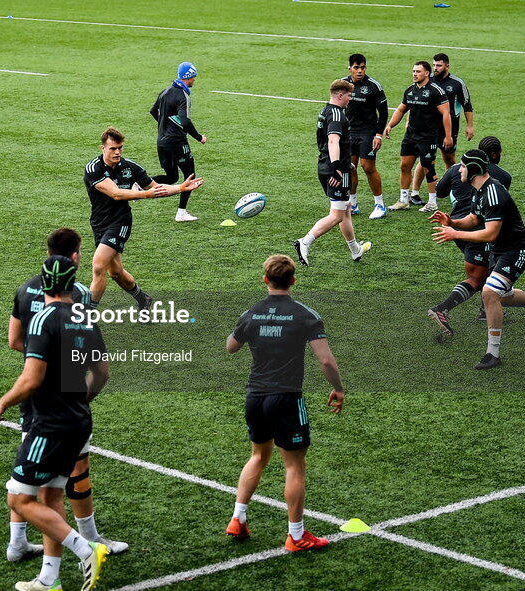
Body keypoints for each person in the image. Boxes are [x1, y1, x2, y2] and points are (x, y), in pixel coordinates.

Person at [6, 228, 127, 563]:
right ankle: (88, 539)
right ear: (74, 256)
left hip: (33, 390)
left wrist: (37, 358)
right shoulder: (78, 294)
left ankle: (17, 543)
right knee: (74, 467)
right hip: (66, 394)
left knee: (28, 464)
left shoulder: (24, 289)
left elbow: (15, 341)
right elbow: (92, 355)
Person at [0, 255, 111, 591]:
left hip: (47, 424)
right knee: (51, 495)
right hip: (78, 421)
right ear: (73, 284)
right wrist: (80, 402)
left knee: (18, 498)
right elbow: (102, 373)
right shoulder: (85, 316)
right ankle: (49, 579)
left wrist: (2, 402)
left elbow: (31, 380)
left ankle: (85, 549)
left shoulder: (43, 318)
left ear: (43, 283)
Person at [224, 254, 344, 552]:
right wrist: (338, 389)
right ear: (293, 280)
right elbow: (326, 360)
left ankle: (238, 518)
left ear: (265, 279)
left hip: (254, 396)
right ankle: (296, 535)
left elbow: (230, 347)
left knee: (258, 456)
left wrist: (248, 324)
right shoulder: (305, 315)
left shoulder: (252, 312)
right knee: (294, 466)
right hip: (286, 398)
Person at [430, 150, 525, 370]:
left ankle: (493, 354)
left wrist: (455, 234)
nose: (459, 170)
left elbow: (490, 233)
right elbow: (473, 219)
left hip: (517, 250)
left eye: (462, 166)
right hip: (499, 250)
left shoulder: (493, 192)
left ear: (473, 170)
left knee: (489, 292)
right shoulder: (479, 190)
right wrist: (452, 222)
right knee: (502, 296)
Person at [84, 127, 203, 307]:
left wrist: (180, 188)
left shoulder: (130, 167)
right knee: (115, 272)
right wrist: (146, 195)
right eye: (112, 149)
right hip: (99, 222)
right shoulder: (94, 168)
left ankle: (87, 315)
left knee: (98, 266)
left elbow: (156, 187)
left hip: (120, 221)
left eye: (120, 148)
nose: (117, 152)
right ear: (103, 148)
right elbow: (116, 193)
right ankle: (143, 299)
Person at [427, 137, 511, 335]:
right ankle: (442, 309)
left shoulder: (455, 168)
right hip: (478, 229)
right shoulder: (503, 176)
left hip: (456, 227)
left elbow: (439, 193)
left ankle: (485, 308)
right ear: (493, 155)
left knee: (487, 269)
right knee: (476, 277)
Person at [293, 80, 372, 267]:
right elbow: (333, 141)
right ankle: (304, 242)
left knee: (345, 211)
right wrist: (338, 168)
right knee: (337, 215)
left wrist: (347, 164)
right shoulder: (337, 115)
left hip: (327, 165)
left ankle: (355, 250)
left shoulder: (326, 111)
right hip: (335, 170)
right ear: (340, 95)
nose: (350, 100)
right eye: (349, 96)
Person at [384, 61, 453, 213]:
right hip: (411, 136)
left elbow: (446, 114)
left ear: (427, 73)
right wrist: (390, 125)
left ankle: (432, 202)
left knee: (428, 167)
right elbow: (401, 110)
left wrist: (448, 136)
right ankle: (403, 200)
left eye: (418, 71)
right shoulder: (410, 90)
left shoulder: (436, 91)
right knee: (404, 166)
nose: (414, 74)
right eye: (413, 71)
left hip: (428, 137)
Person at [150, 61, 207, 222]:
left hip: (162, 141)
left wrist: (165, 127)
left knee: (172, 176)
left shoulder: (165, 92)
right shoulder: (183, 95)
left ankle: (139, 184)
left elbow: (154, 111)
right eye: (193, 77)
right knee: (190, 175)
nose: (194, 80)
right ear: (188, 77)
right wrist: (199, 137)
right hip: (177, 142)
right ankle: (181, 212)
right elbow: (185, 121)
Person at [411, 53, 474, 196]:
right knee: (425, 159)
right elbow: (415, 102)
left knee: (449, 159)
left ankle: (451, 187)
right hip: (429, 129)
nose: (435, 68)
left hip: (449, 129)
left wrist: (470, 126)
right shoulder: (428, 80)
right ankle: (414, 192)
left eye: (438, 65)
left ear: (447, 66)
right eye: (434, 65)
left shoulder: (457, 83)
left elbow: (467, 105)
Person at [342, 54, 389, 219]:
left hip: (367, 132)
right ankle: (352, 204)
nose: (360, 71)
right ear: (349, 68)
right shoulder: (343, 84)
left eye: (362, 67)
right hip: (348, 133)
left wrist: (378, 135)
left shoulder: (373, 86)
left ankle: (380, 204)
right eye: (356, 67)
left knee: (368, 167)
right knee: (349, 167)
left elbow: (383, 113)